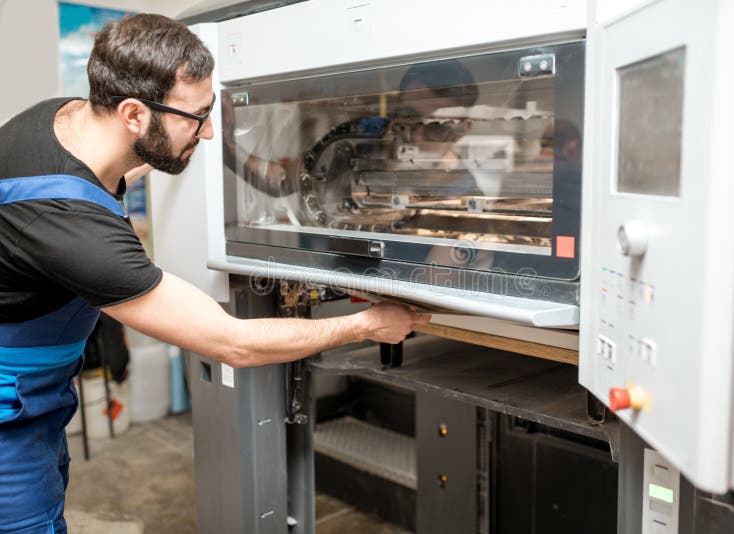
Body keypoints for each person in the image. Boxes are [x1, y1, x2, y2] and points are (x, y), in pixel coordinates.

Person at [0, 13, 428, 533]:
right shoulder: (72, 227)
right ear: (133, 113)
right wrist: (366, 325)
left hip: (36, 396)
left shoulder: (63, 120)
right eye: (197, 118)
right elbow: (233, 343)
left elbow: (131, 162)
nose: (205, 134)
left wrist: (242, 155)